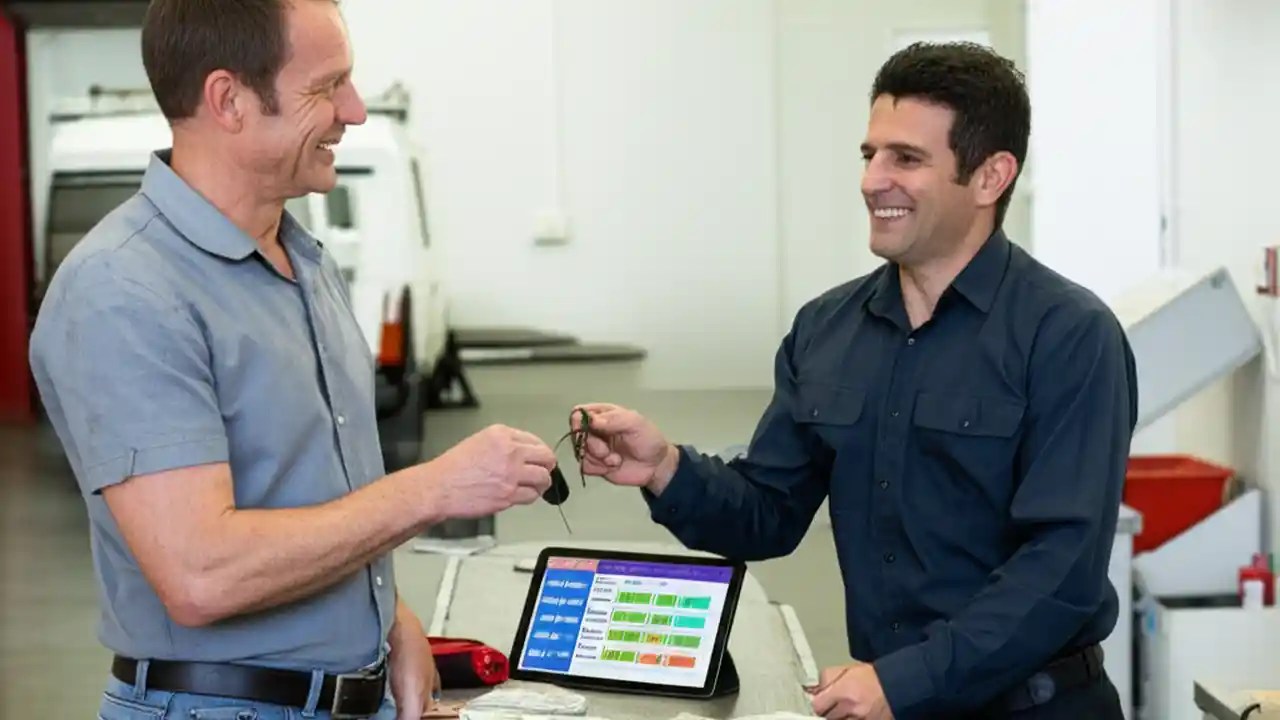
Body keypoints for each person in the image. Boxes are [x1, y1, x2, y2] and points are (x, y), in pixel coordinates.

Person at [570, 42, 1137, 720]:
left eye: (906, 158)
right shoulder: (826, 328)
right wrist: (664, 467)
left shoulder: (1069, 335)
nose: (873, 180)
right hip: (888, 702)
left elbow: (1061, 572)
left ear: (990, 177)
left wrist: (905, 680)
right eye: (869, 155)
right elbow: (770, 510)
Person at [27, 1, 556, 718]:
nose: (356, 111)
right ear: (229, 100)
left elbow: (311, 498)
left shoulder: (304, 260)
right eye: (326, 86)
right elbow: (200, 573)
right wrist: (434, 489)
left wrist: (388, 623)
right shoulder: (123, 291)